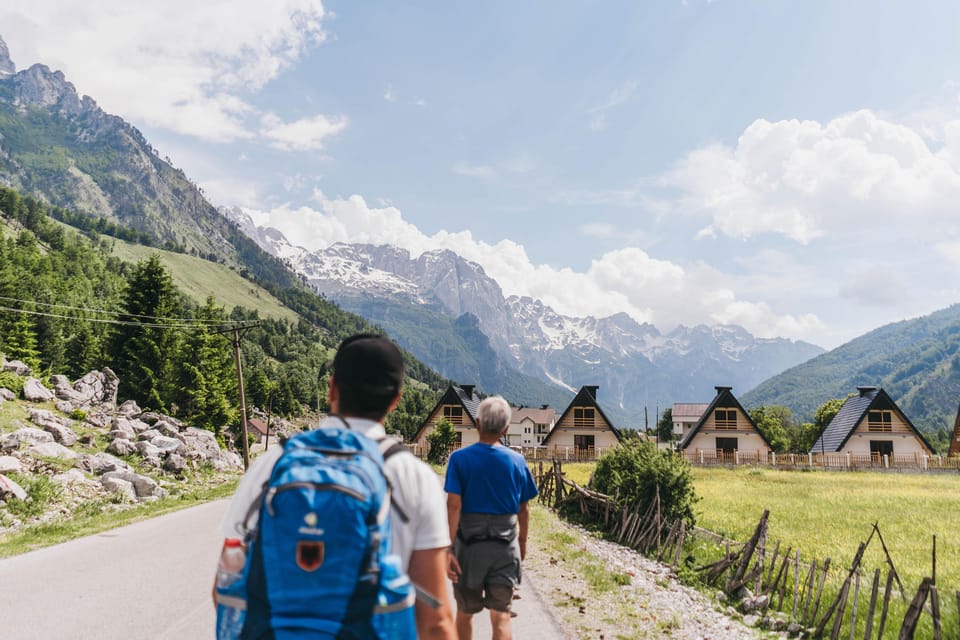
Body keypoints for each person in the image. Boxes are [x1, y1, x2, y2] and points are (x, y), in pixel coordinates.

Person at [218, 333, 457, 639]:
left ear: (332, 387)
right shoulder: (415, 476)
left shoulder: (274, 462)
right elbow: (435, 620)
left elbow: (226, 584)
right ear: (396, 400)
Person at [444, 396, 539, 640]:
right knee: (501, 616)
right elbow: (524, 509)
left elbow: (453, 506)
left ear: (477, 424)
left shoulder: (459, 459)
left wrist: (448, 548)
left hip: (468, 548)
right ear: (506, 429)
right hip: (504, 548)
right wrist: (523, 543)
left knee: (465, 613)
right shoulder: (517, 461)